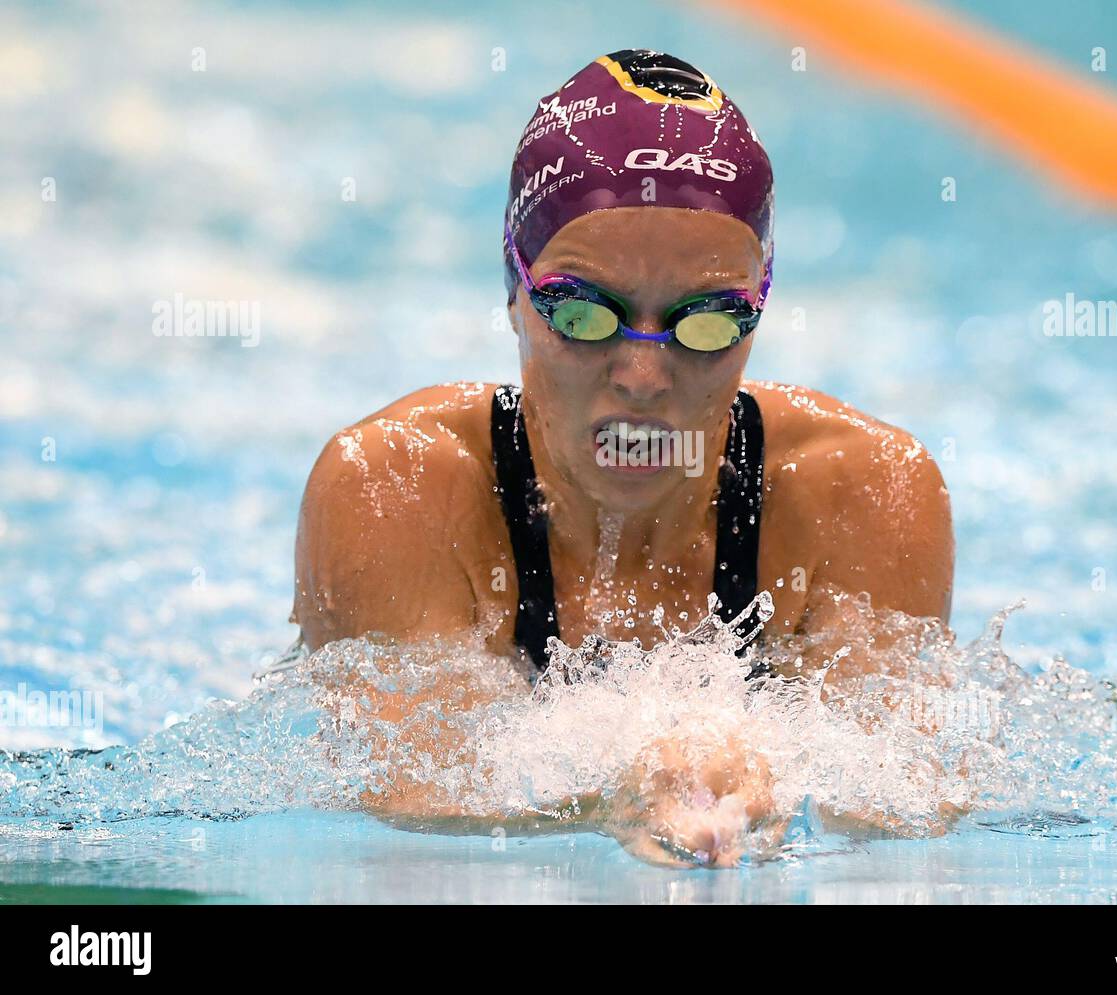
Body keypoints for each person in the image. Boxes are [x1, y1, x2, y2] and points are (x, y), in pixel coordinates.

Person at [292, 50, 954, 864]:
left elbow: (910, 801)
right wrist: (613, 792)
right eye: (582, 313)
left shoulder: (868, 493)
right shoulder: (394, 487)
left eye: (705, 320)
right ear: (514, 290)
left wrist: (785, 780)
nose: (643, 376)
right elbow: (415, 801)